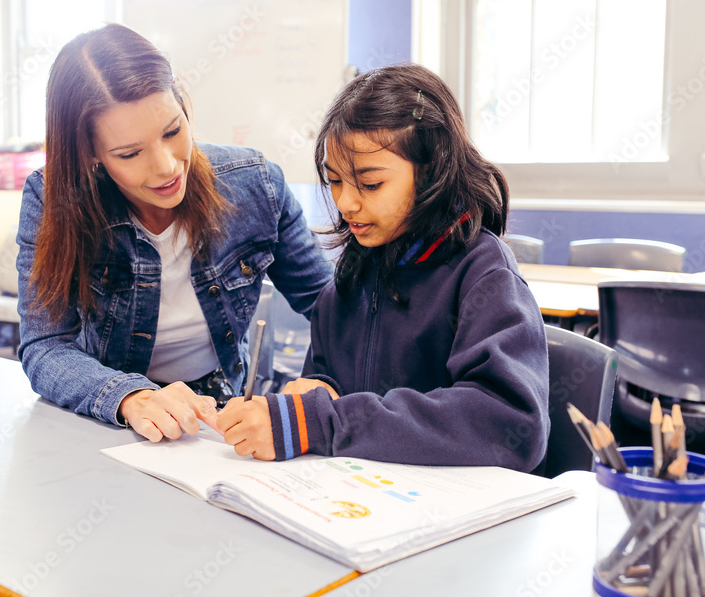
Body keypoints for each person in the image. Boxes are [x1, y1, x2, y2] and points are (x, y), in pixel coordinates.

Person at [217, 64, 549, 472]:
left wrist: (324, 422)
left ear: (432, 172)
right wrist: (317, 395)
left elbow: (511, 425)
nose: (346, 203)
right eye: (334, 181)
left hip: (450, 516)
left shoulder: (484, 275)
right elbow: (332, 393)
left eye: (370, 184)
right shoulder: (348, 281)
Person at [16, 24, 332, 443]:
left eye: (172, 131)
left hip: (221, 409)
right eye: (130, 153)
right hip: (111, 411)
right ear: (89, 152)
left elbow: (333, 311)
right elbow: (45, 346)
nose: (166, 167)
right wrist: (130, 397)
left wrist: (323, 382)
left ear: (181, 103)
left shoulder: (256, 183)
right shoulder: (53, 198)